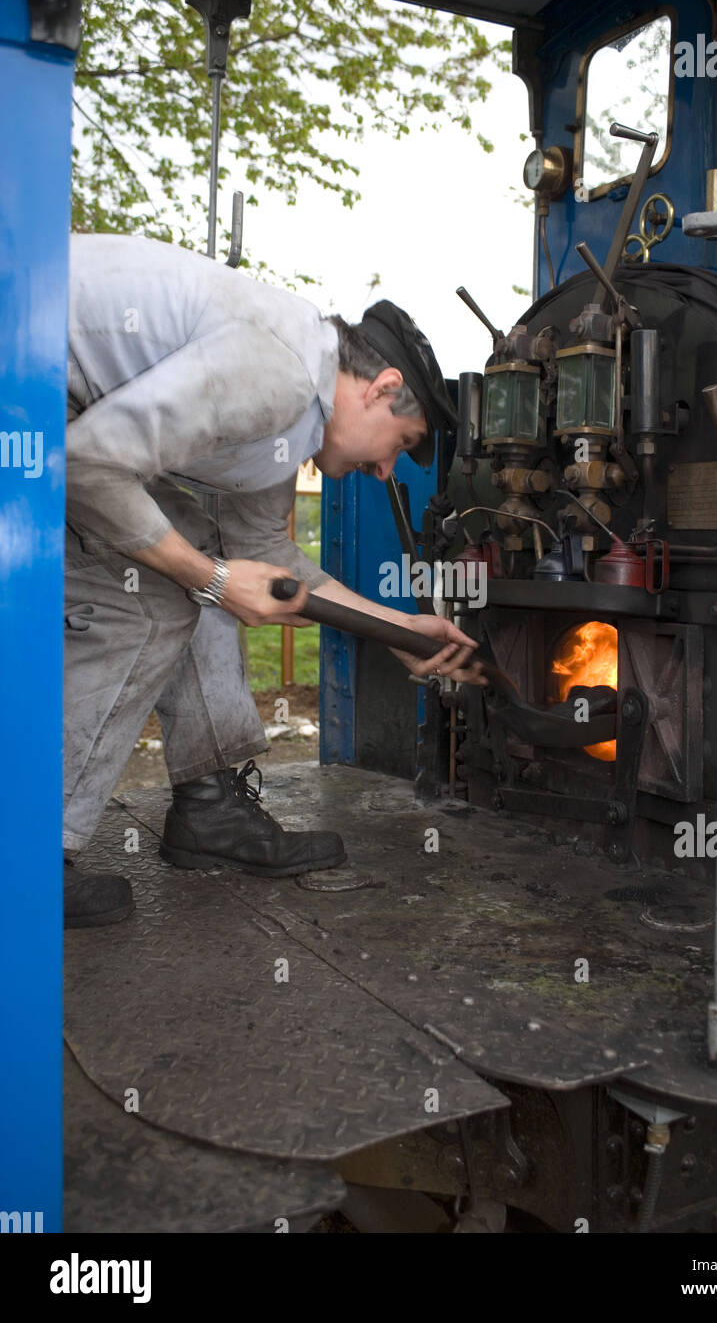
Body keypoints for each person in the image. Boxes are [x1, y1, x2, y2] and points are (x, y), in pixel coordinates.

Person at [63, 234, 483, 928]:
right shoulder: (280, 372)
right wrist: (214, 580)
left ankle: (209, 805)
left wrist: (398, 628)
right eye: (401, 445)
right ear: (381, 389)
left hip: (64, 416)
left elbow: (264, 551)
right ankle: (29, 854)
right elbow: (88, 468)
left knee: (193, 557)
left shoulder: (293, 416)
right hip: (27, 394)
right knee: (163, 594)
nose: (386, 472)